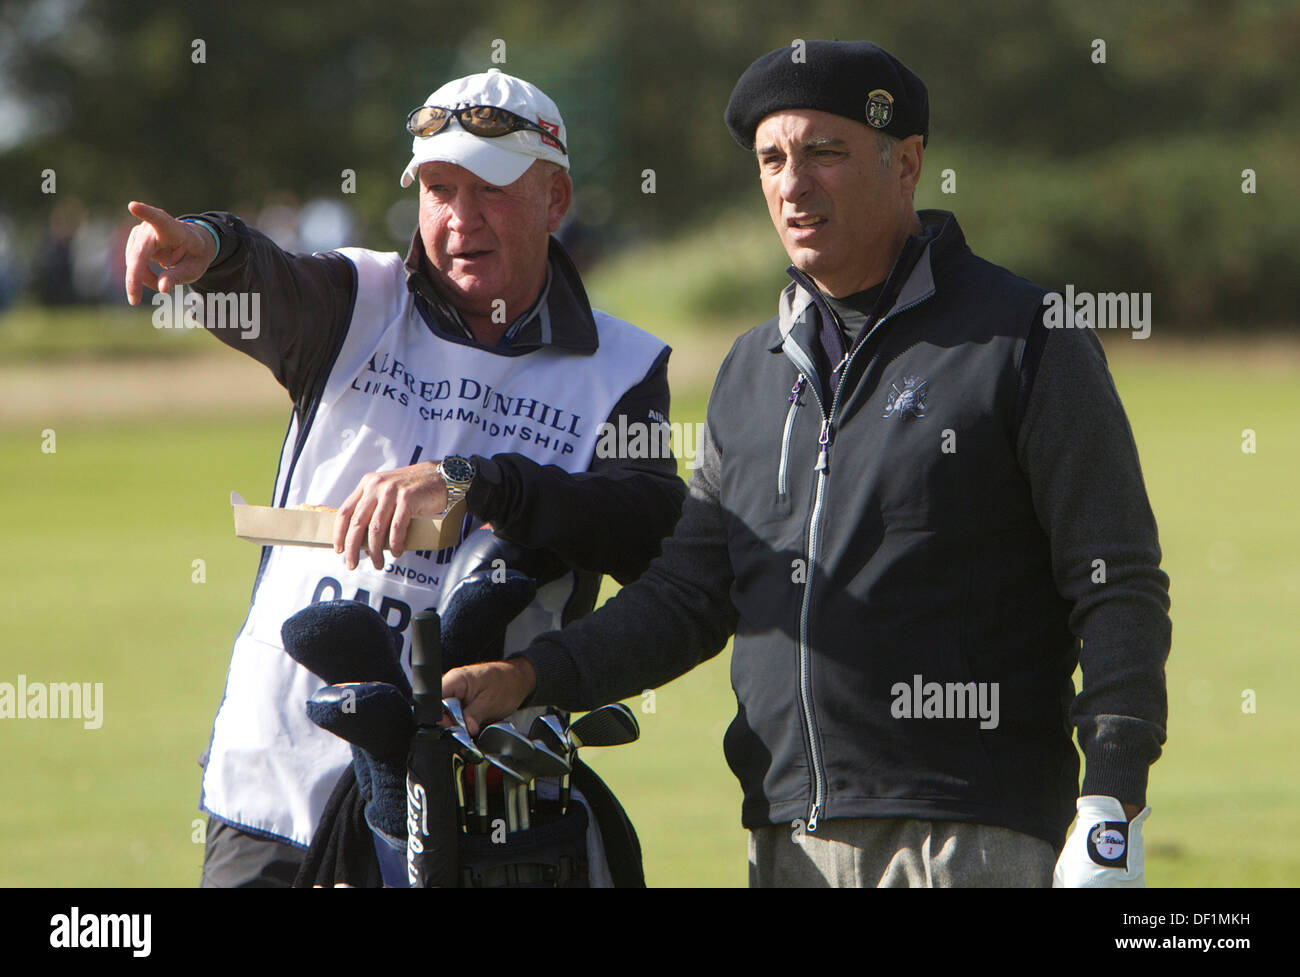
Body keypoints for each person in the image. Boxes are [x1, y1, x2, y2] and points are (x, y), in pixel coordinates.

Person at [444, 41, 1172, 888]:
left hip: (973, 833)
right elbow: (691, 591)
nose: (793, 184)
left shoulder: (1027, 337)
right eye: (772, 159)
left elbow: (1116, 579)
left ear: (907, 163)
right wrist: (534, 675)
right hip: (786, 835)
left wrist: (1113, 795)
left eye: (825, 152)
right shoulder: (752, 369)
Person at [123, 68, 685, 887]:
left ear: (555, 201)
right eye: (438, 187)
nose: (460, 218)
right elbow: (263, 280)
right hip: (275, 793)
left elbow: (653, 530)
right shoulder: (357, 299)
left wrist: (480, 483)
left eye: (490, 189)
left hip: (487, 806)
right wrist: (204, 247)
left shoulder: (622, 367)